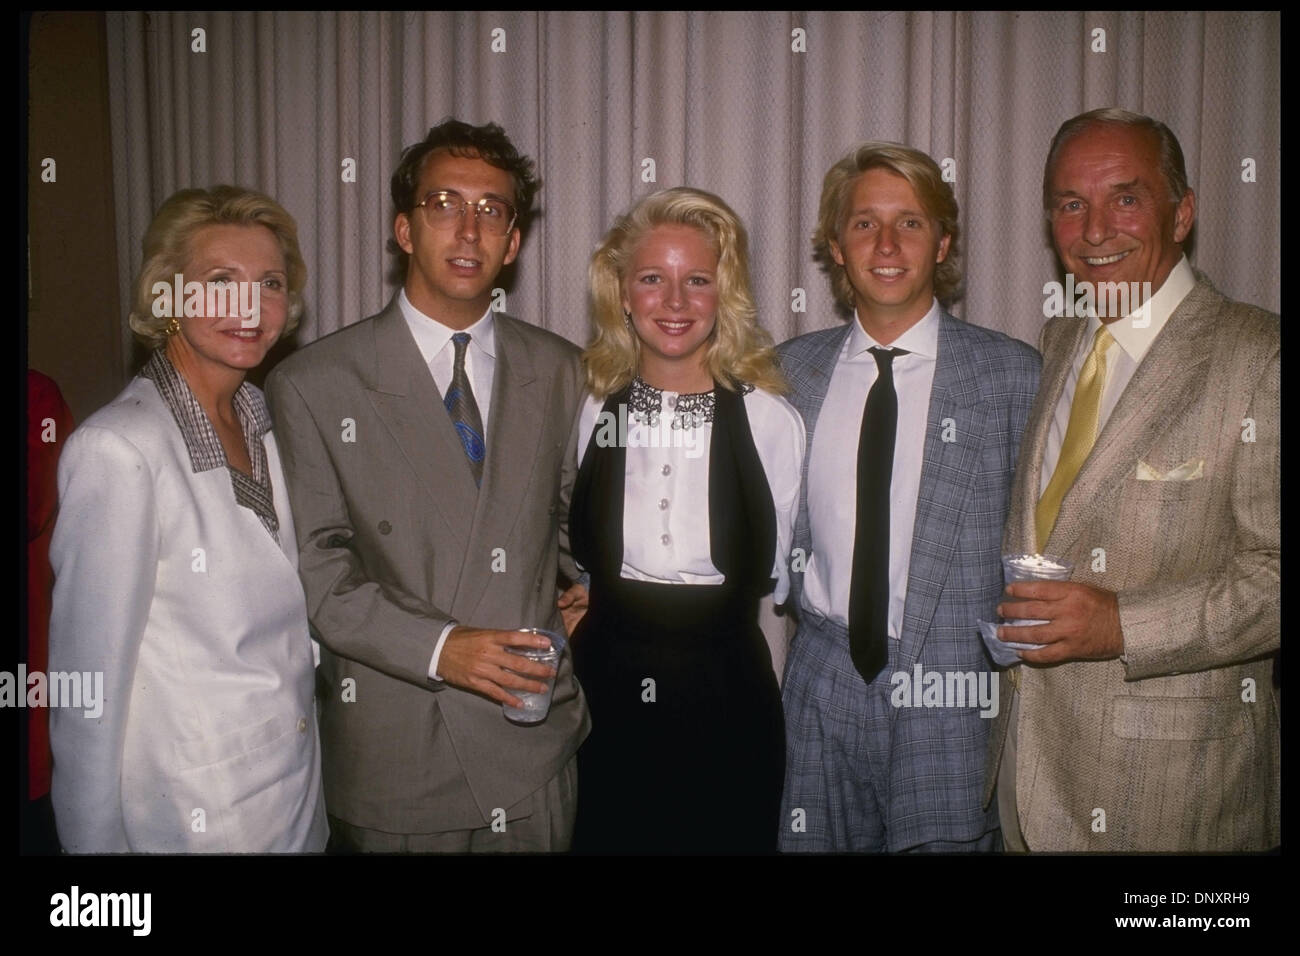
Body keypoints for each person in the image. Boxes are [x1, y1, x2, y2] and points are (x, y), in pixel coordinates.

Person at [265, 119, 589, 852]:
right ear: (404, 229)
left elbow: (581, 525)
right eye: (445, 204)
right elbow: (319, 572)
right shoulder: (315, 382)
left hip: (531, 742)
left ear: (513, 242)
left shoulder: (563, 369)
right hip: (399, 748)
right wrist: (444, 648)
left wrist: (599, 584)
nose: (469, 231)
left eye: (492, 210)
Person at [986, 108, 1280, 852]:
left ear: (1182, 214)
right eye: (1069, 205)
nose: (1093, 231)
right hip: (1029, 771)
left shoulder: (1260, 357)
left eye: (1125, 198)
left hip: (1170, 800)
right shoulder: (1060, 341)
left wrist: (1123, 624)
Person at [777, 143, 1041, 852]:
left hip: (954, 694)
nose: (886, 244)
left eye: (911, 223)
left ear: (943, 242)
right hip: (821, 679)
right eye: (864, 224)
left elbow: (1047, 546)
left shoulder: (1013, 376)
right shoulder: (785, 373)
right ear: (835, 247)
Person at [48, 186, 327, 852]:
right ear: (167, 298)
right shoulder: (119, 450)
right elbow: (87, 693)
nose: (250, 307)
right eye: (220, 282)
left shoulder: (262, 420)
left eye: (269, 283)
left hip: (293, 798)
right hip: (191, 817)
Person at [567, 186, 804, 854]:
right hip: (605, 687)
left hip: (727, 695)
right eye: (652, 279)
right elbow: (581, 560)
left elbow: (780, 579)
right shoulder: (590, 406)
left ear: (723, 293)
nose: (674, 303)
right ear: (621, 293)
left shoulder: (771, 421)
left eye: (697, 280)